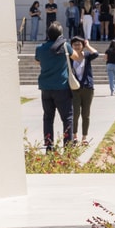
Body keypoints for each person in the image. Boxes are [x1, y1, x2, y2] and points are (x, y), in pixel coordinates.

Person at [34, 21, 75, 151]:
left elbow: (37, 61)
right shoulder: (65, 46)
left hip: (45, 87)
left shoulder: (40, 48)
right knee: (67, 118)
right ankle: (68, 146)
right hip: (62, 87)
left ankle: (49, 146)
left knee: (48, 117)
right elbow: (75, 56)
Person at [70, 36, 99, 145]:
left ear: (82, 46)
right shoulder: (69, 58)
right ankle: (74, 135)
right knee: (75, 113)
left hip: (87, 88)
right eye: (74, 44)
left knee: (86, 114)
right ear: (71, 46)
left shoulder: (87, 56)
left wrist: (88, 45)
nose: (77, 46)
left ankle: (84, 137)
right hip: (74, 89)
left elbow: (96, 54)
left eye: (79, 44)